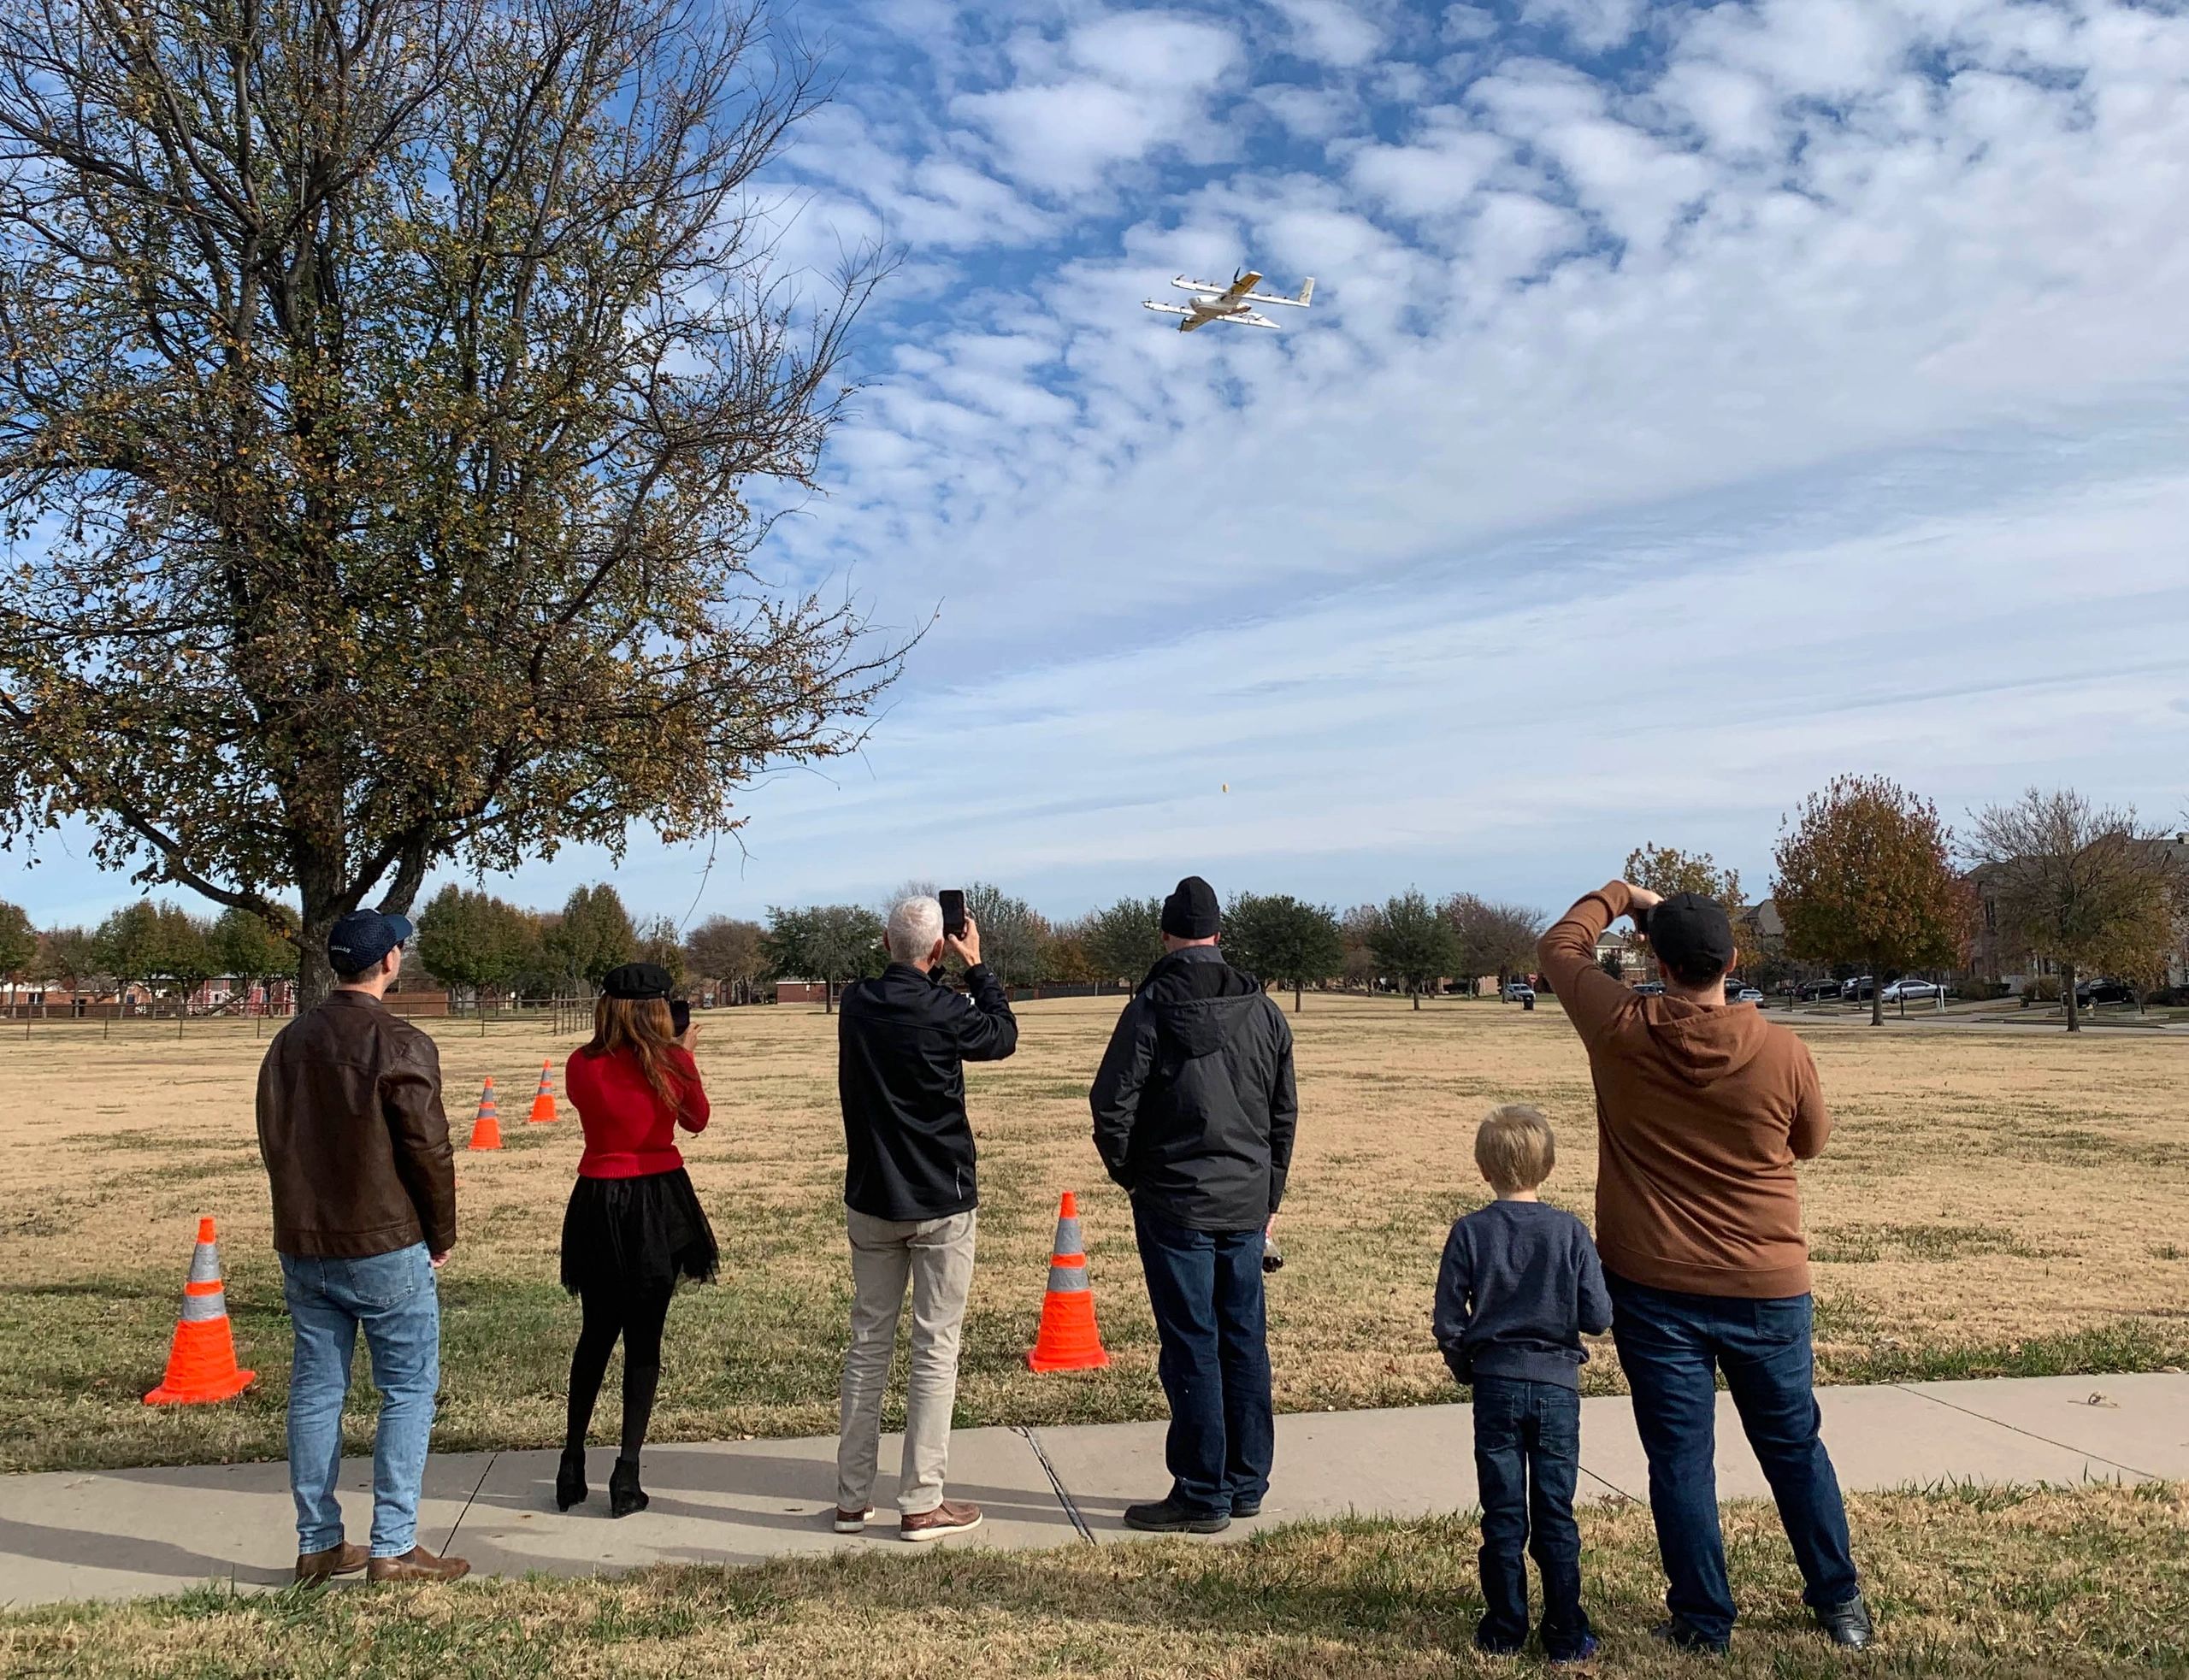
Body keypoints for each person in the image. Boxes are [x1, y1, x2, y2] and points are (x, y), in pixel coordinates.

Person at [1537, 881, 1871, 1653]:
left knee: (1682, 1457)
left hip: (1654, 1287)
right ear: (1732, 958)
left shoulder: (1620, 1026)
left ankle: (1703, 1619)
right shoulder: (1782, 1050)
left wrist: (1619, 895)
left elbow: (1559, 949)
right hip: (1767, 1283)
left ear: (1655, 959)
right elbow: (1810, 1142)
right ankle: (1840, 1603)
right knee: (1793, 1445)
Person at [255, 908, 468, 1585]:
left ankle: (319, 1541)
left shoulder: (287, 1041)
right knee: (406, 1388)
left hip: (305, 1241)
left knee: (317, 1391)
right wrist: (440, 1232)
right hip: (383, 1241)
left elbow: (275, 1138)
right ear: (391, 960)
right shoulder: (400, 1042)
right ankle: (394, 1544)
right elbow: (427, 1149)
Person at [1090, 875, 1298, 1534]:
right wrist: (1269, 1192)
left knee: (1192, 1342)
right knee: (1243, 1340)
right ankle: (1245, 1479)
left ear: (1165, 934)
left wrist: (1136, 1177)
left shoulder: (1149, 1006)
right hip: (1240, 1203)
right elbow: (1283, 1111)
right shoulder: (1264, 1011)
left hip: (1176, 1203)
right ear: (1217, 933)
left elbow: (1110, 1105)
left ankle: (1203, 1488)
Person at [834, 895, 1018, 1540]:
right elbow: (1002, 1035)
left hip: (873, 1196)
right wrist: (977, 968)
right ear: (938, 950)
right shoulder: (946, 1011)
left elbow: (902, 985)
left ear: (885, 942)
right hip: (940, 1197)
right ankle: (920, 1500)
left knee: (868, 1346)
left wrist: (938, 962)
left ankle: (852, 1498)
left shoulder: (856, 1003)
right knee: (934, 1348)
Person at [1434, 1105, 1611, 1664]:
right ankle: (1565, 1631)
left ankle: (1504, 1627)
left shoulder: (1470, 1232)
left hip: (1496, 1385)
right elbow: (1599, 1313)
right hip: (1557, 1387)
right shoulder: (1570, 1232)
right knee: (1555, 1511)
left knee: (1503, 1510)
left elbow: (1448, 1318)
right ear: (1549, 1165)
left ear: (1484, 1168)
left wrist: (1466, 1364)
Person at [557, 962, 718, 1518]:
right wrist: (685, 1053)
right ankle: (627, 1472)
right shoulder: (671, 1060)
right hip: (655, 1198)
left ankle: (572, 1458)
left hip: (598, 1196)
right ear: (656, 1008)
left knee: (595, 1332)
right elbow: (696, 1119)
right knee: (644, 1338)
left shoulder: (581, 1063)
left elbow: (597, 1105)